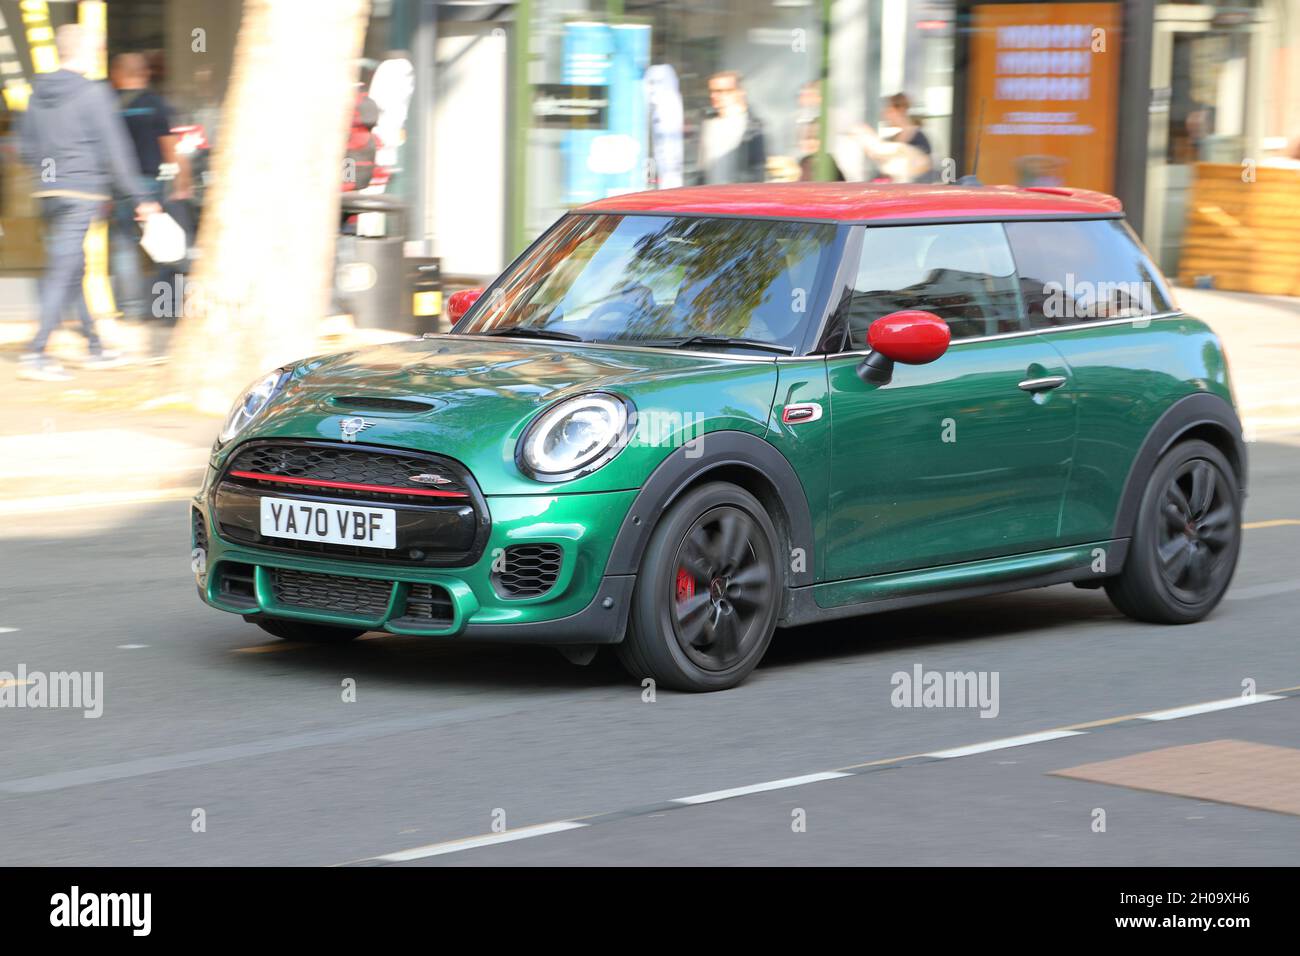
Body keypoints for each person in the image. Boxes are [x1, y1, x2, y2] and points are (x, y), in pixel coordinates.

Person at [16, 25, 160, 381]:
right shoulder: (94, 94)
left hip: (49, 191)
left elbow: (25, 147)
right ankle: (36, 353)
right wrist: (141, 198)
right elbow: (116, 150)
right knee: (64, 267)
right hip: (80, 192)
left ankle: (94, 346)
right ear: (88, 51)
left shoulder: (38, 92)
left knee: (72, 265)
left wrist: (49, 173)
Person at [109, 52, 189, 324]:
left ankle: (130, 310)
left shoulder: (109, 105)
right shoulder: (155, 104)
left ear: (117, 74)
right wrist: (181, 182)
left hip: (119, 185)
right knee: (162, 248)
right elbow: (170, 147)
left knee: (124, 246)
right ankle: (163, 310)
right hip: (150, 185)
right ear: (145, 74)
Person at [698, 71, 766, 184]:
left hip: (737, 197)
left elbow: (757, 169)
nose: (714, 96)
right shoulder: (708, 124)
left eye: (721, 91)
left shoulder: (752, 127)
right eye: (712, 91)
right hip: (709, 197)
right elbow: (702, 169)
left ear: (738, 92)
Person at [856, 92, 933, 183]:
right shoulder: (893, 138)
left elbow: (923, 166)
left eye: (889, 111)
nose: (885, 115)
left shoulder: (919, 138)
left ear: (900, 110)